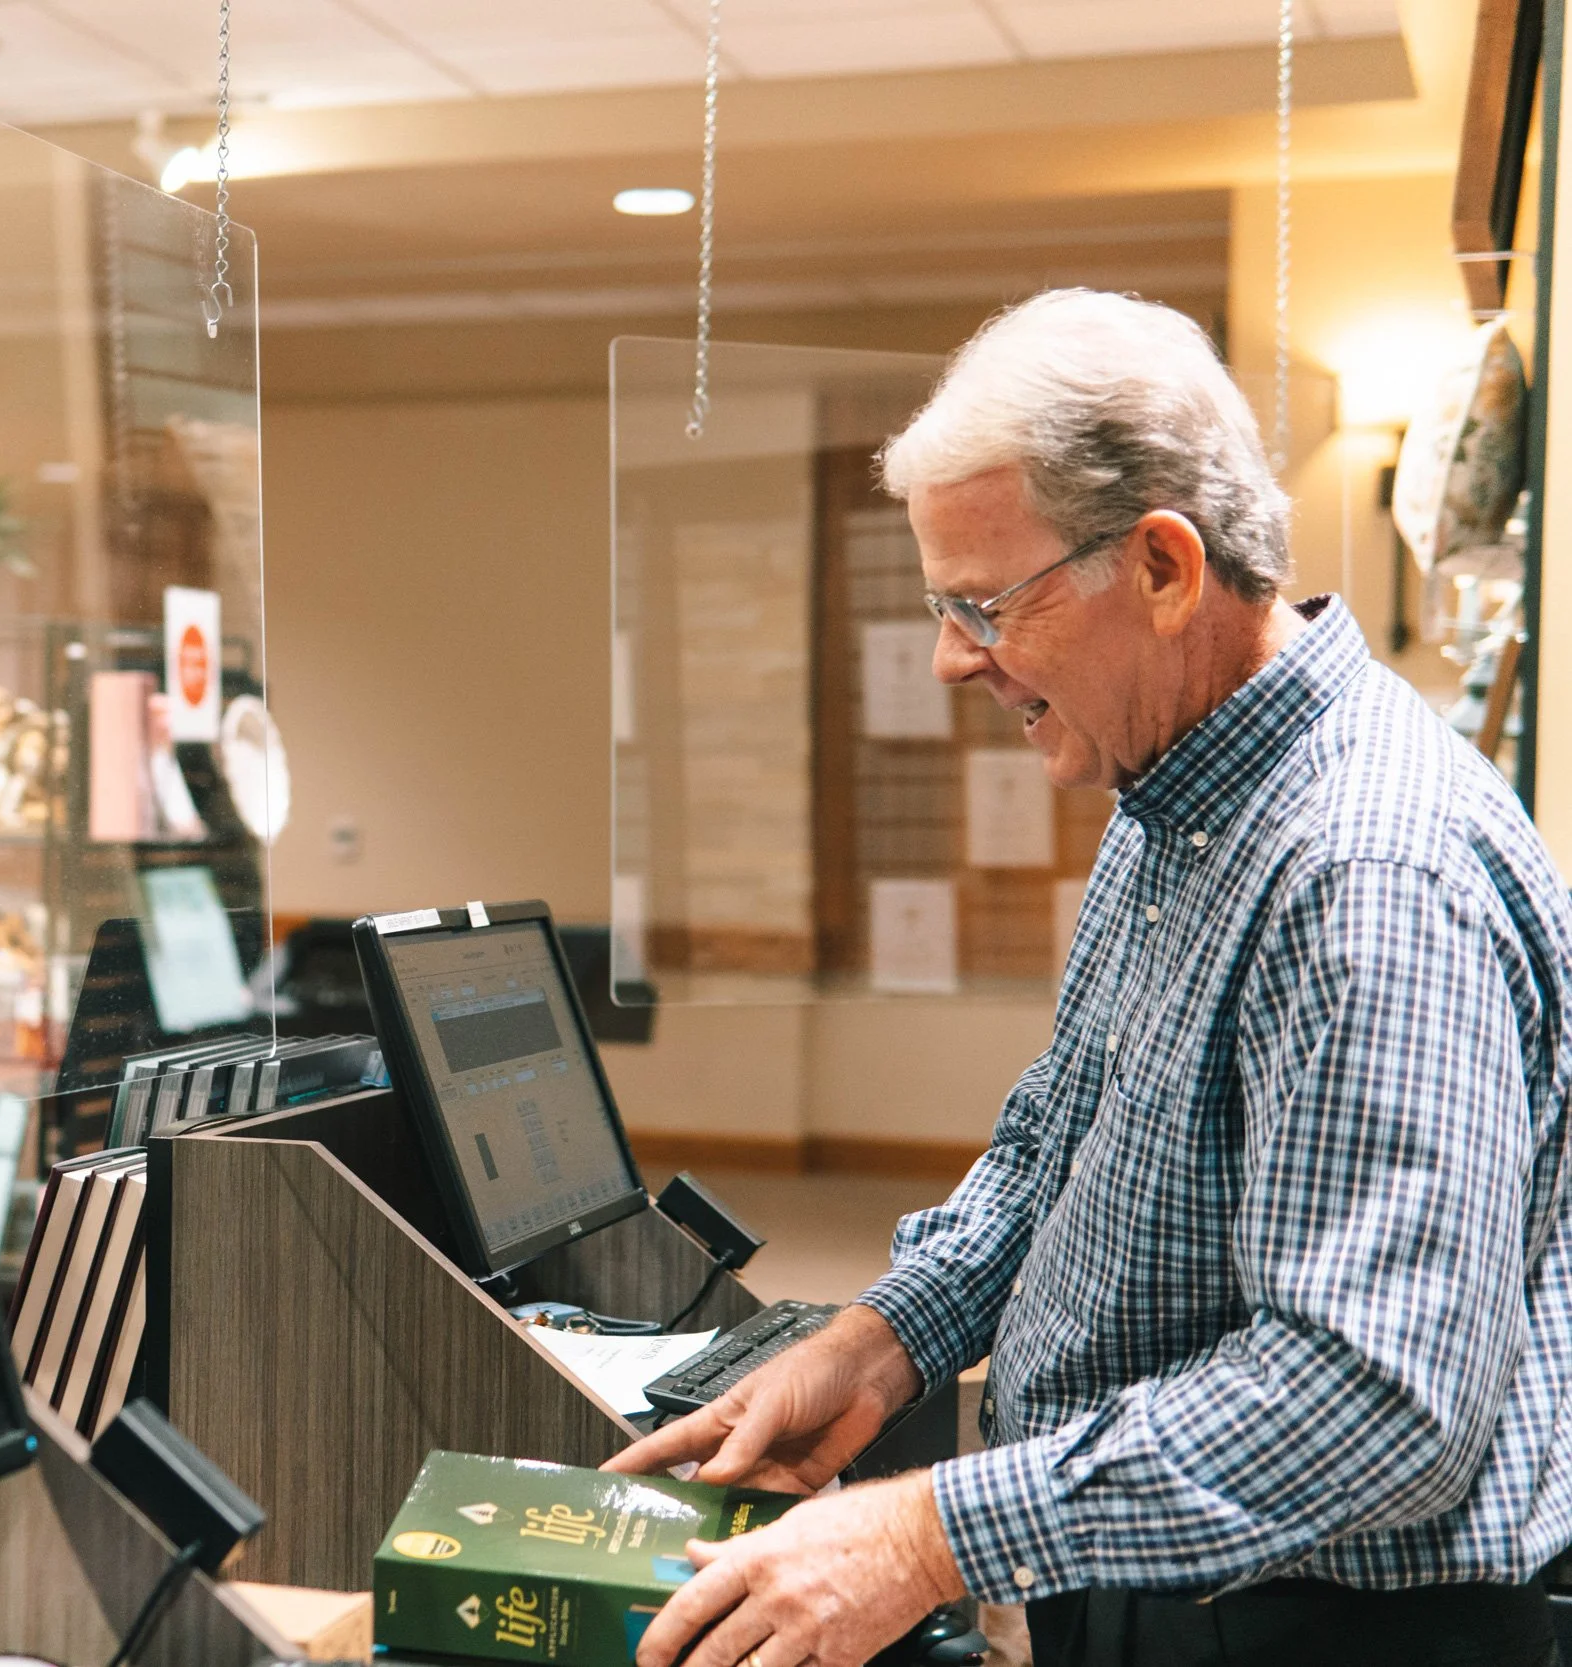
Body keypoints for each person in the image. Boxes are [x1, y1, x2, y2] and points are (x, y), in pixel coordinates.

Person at [608, 290, 1572, 1667]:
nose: (952, 657)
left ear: (1165, 568)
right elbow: (1056, 1142)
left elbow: (1372, 1397)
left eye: (985, 604)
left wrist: (923, 1533)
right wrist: (882, 1339)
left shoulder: (1367, 873)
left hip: (1326, 1630)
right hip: (1154, 1588)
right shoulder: (1170, 791)